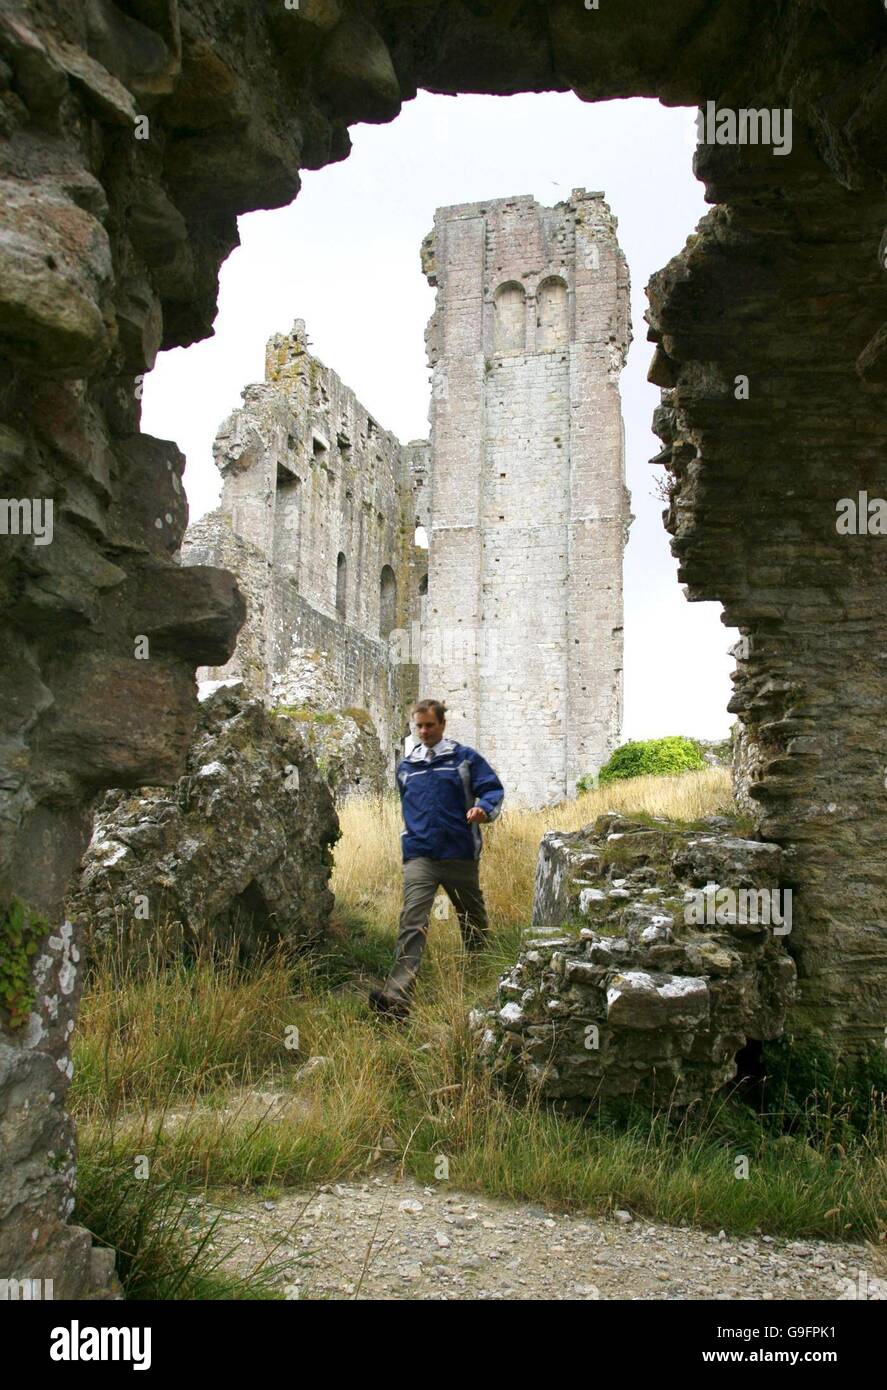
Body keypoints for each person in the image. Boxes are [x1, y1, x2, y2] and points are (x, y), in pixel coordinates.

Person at [368, 698, 505, 1019]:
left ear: (442, 724)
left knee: (472, 918)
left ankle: (482, 975)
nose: (424, 731)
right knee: (412, 921)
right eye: (418, 726)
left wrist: (483, 809)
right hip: (420, 856)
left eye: (430, 725)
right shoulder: (406, 767)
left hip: (459, 854)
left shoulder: (464, 759)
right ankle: (396, 998)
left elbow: (493, 789)